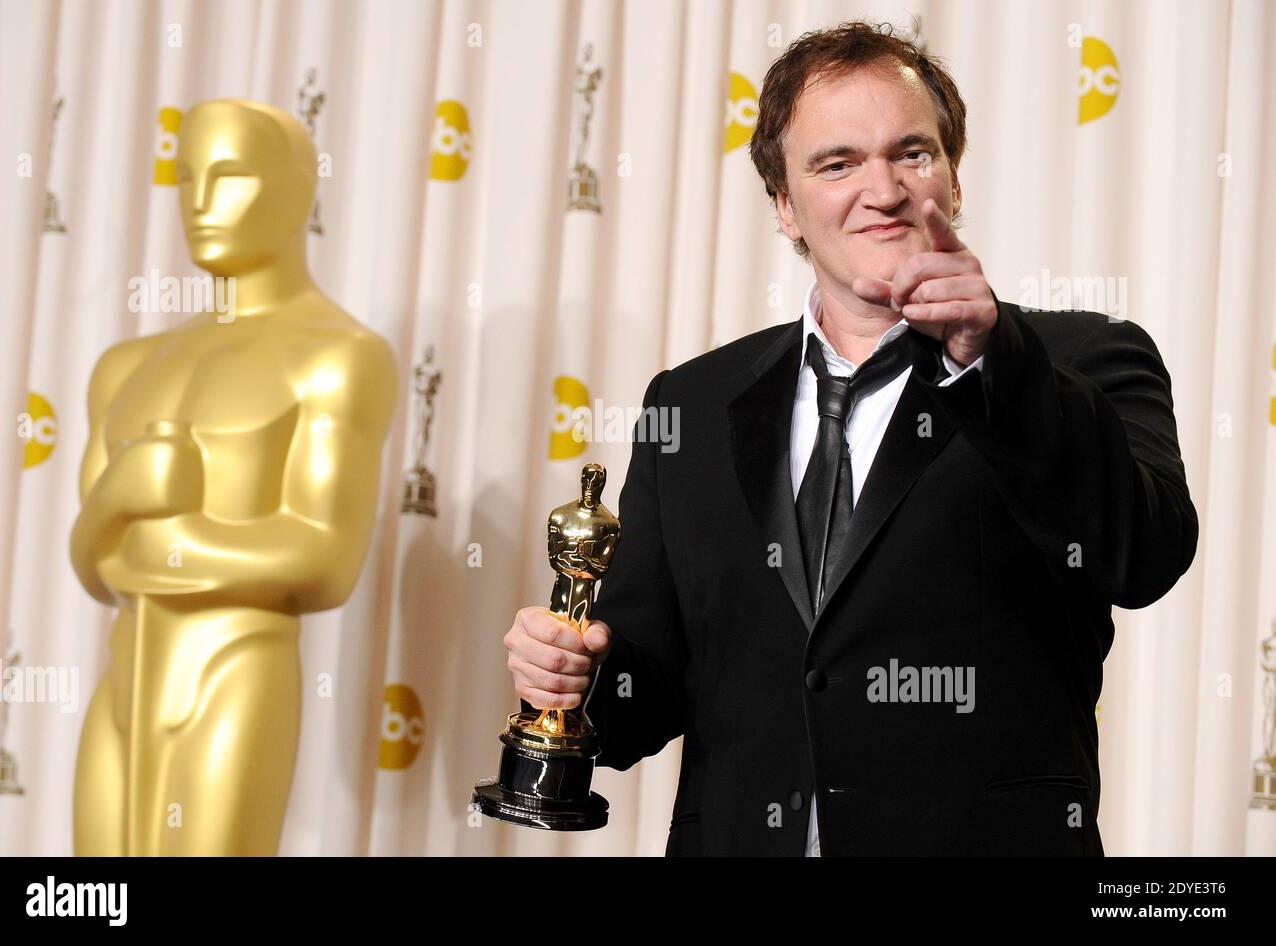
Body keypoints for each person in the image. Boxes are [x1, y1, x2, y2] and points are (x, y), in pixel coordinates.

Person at [502, 22, 1197, 855]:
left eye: (912, 153)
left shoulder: (1079, 359)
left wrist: (990, 365)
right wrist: (574, 683)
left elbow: (1146, 556)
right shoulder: (690, 400)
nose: (885, 189)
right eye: (838, 163)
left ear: (953, 177)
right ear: (787, 207)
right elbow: (646, 694)